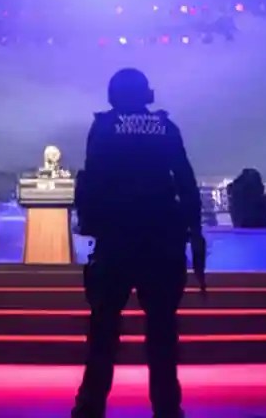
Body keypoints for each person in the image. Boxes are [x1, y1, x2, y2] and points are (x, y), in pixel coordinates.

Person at [71, 68, 203, 418]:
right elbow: (186, 182)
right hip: (162, 239)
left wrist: (92, 225)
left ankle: (90, 406)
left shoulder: (103, 126)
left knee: (103, 328)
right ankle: (168, 409)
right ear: (147, 93)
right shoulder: (166, 127)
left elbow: (91, 180)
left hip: (115, 239)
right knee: (162, 330)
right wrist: (194, 233)